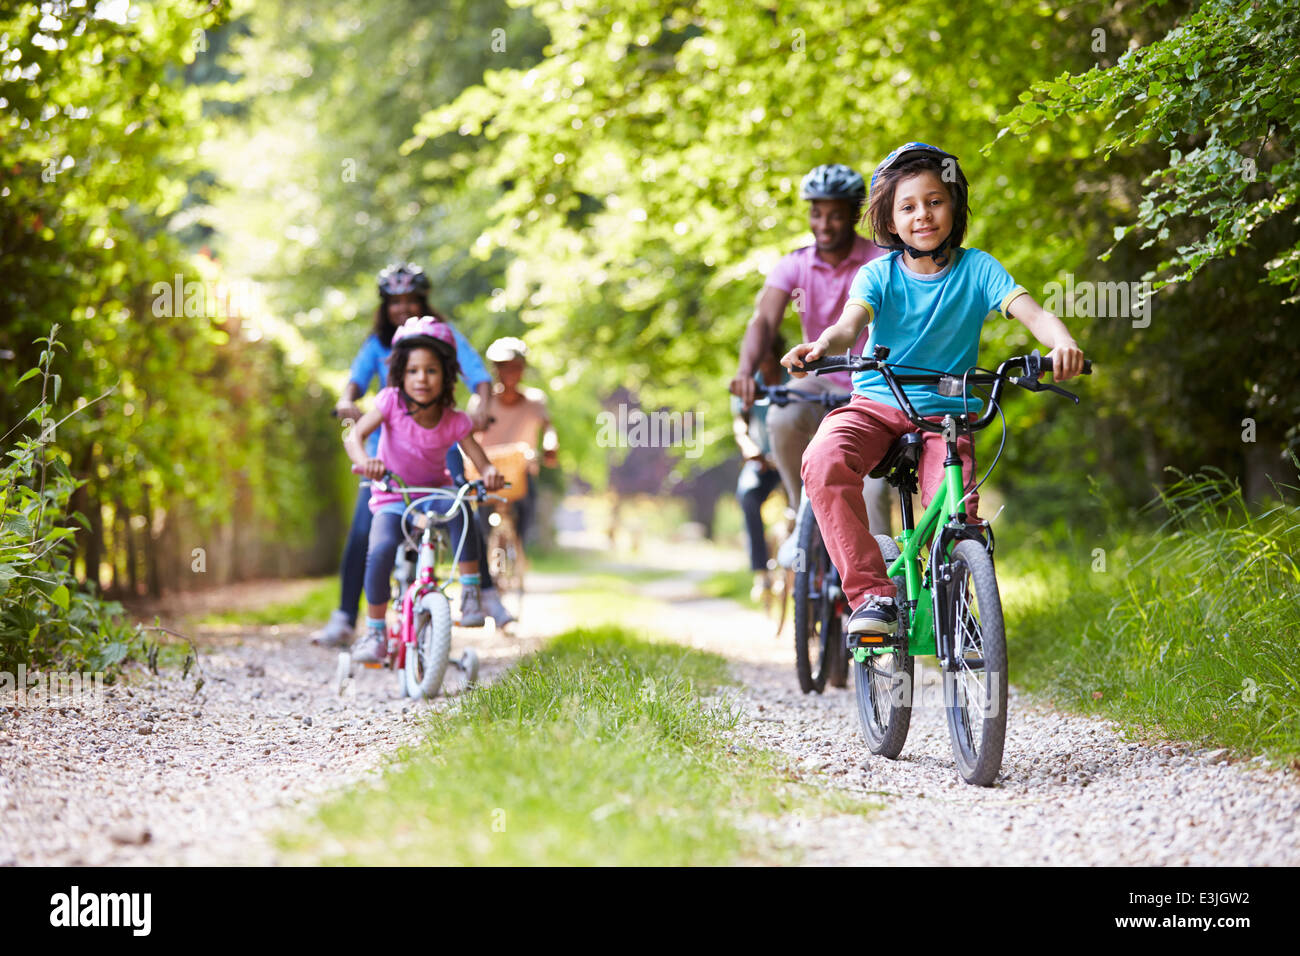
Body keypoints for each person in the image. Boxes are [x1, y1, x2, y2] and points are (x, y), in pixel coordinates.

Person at [785, 142, 1086, 639]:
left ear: (955, 206)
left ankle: (958, 604)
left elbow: (1035, 314)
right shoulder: (877, 274)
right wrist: (821, 346)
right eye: (907, 206)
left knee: (957, 516)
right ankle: (872, 597)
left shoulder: (979, 269)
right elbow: (847, 326)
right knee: (823, 460)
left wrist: (1063, 345)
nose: (922, 215)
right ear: (890, 219)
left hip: (946, 418)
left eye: (935, 201)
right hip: (877, 406)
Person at [312, 263, 512, 647]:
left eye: (411, 300)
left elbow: (478, 377)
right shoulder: (378, 350)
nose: (402, 307)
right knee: (365, 534)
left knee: (461, 503)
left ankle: (481, 592)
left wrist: (482, 409)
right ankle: (346, 617)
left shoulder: (444, 338)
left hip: (439, 445)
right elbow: (353, 384)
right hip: (385, 461)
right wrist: (345, 402)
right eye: (394, 301)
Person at [343, 317, 503, 663]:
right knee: (381, 548)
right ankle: (374, 631)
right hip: (393, 493)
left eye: (431, 370)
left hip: (435, 491)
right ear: (400, 373)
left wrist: (489, 473)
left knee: (463, 510)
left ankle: (472, 592)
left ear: (446, 375)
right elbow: (354, 435)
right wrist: (366, 461)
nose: (421, 378)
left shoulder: (454, 420)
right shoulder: (389, 403)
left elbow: (480, 459)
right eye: (413, 370)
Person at [472, 337, 558, 549]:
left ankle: (519, 550)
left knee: (527, 510)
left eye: (515, 367)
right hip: (488, 469)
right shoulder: (482, 402)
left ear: (523, 369)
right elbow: (468, 433)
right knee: (481, 523)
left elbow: (548, 428)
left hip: (521, 469)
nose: (510, 372)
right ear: (495, 370)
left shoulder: (535, 400)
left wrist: (550, 446)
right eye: (504, 367)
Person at [731, 331, 788, 601]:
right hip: (762, 461)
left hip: (791, 457)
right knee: (748, 497)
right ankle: (761, 573)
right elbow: (740, 423)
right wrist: (749, 448)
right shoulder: (750, 382)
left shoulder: (793, 378)